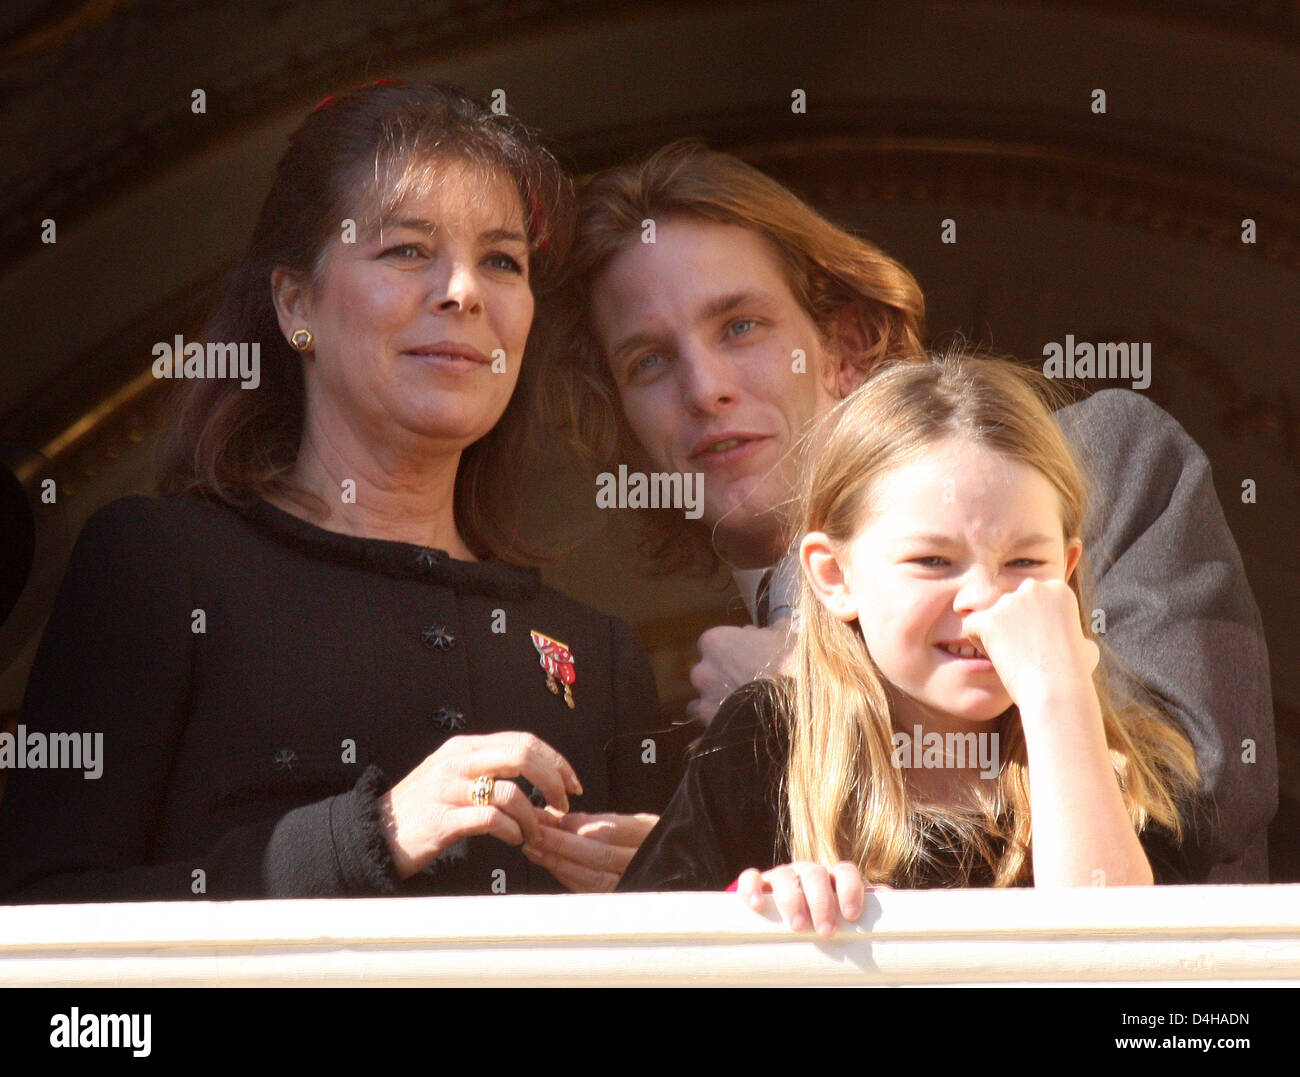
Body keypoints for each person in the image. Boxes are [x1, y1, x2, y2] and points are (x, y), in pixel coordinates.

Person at [0, 81, 663, 903]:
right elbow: (36, 913)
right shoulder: (159, 566)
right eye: (407, 250)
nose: (463, 292)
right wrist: (370, 836)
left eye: (502, 260)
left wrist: (675, 882)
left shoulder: (596, 653)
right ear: (295, 304)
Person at [549, 140, 1275, 883]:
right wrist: (710, 881)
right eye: (648, 361)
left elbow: (1201, 787)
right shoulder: (705, 715)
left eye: (740, 325)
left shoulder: (1092, 454)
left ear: (846, 345)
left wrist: (831, 686)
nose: (704, 388)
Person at [621, 352, 1205, 933]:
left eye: (1025, 562)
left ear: (1069, 573)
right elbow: (628, 960)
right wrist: (754, 919)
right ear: (835, 576)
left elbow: (1122, 969)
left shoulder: (1135, 777)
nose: (982, 597)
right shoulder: (770, 741)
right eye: (933, 560)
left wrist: (1057, 700)